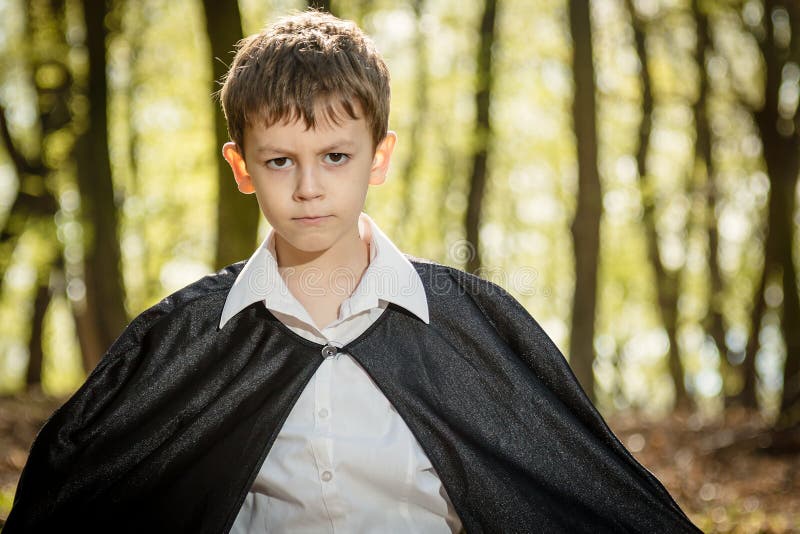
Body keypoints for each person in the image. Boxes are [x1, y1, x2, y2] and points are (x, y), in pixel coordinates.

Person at [4, 10, 700, 534]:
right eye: (280, 161)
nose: (309, 188)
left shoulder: (471, 325)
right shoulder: (183, 338)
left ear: (380, 158)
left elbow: (581, 493)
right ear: (242, 168)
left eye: (335, 157)